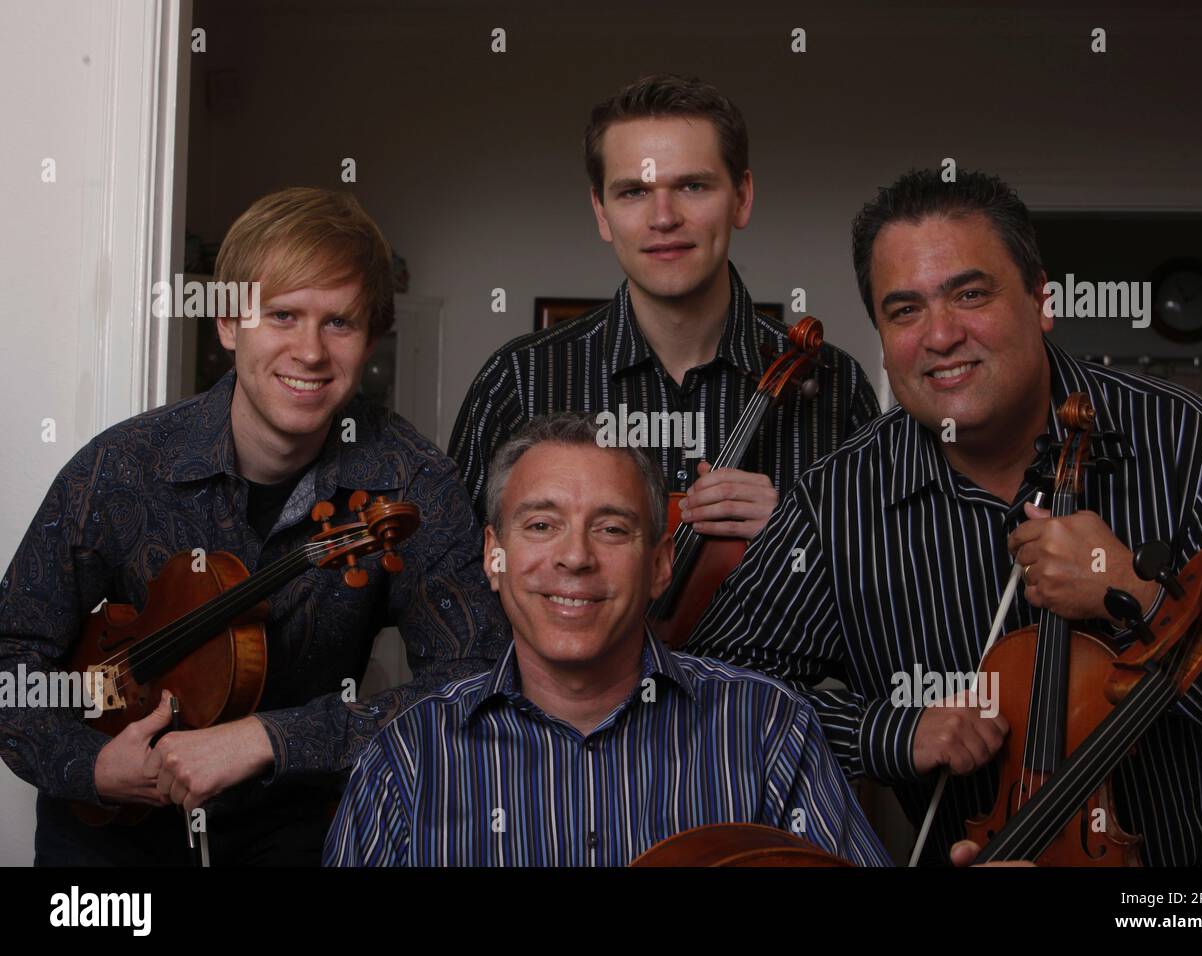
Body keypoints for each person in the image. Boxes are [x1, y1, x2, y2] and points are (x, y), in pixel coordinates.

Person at [689, 168, 1202, 865]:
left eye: (969, 294)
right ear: (883, 337)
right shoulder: (839, 499)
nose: (941, 335)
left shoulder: (1182, 438)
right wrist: (893, 732)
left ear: (1042, 300)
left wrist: (1134, 590)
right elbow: (712, 699)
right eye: (905, 309)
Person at [0, 187, 508, 865]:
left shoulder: (411, 483)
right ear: (227, 324)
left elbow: (475, 681)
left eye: (339, 322)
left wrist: (270, 739)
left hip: (291, 833)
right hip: (106, 843)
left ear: (371, 339)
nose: (310, 351)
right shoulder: (122, 467)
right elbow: (12, 661)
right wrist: (90, 767)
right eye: (282, 314)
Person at [325, 412, 891, 866]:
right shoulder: (405, 760)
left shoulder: (769, 729)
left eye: (612, 528)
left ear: (660, 565)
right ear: (493, 556)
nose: (575, 557)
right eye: (542, 525)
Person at [450, 73, 878, 543]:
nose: (663, 218)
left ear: (742, 197)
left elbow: (885, 584)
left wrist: (804, 530)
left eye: (693, 186)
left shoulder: (838, 387)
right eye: (634, 191)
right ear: (601, 212)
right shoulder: (515, 379)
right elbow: (453, 580)